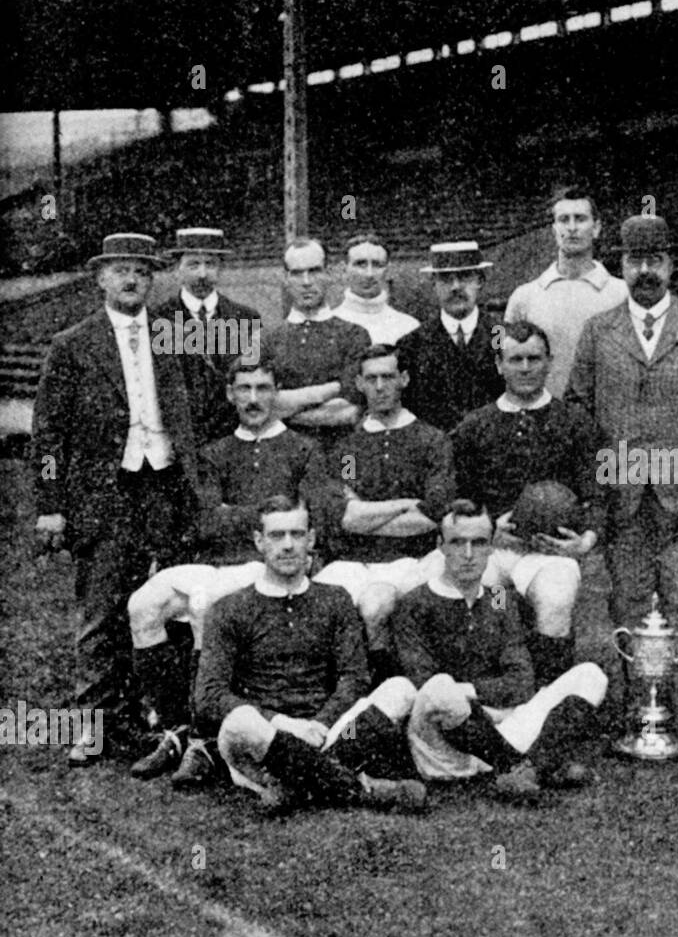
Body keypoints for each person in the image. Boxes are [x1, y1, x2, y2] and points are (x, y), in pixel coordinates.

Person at [566, 214, 678, 739]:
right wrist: (599, 481)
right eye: (635, 261)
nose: (645, 271)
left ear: (671, 265)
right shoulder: (599, 330)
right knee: (630, 599)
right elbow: (578, 408)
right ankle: (639, 703)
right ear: (621, 265)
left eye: (655, 261)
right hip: (622, 488)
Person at [125, 359, 336, 785]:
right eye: (244, 389)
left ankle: (204, 741)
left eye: (263, 388)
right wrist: (270, 514)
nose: (254, 399)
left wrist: (236, 516)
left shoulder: (303, 450)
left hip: (269, 567)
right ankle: (174, 728)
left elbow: (313, 518)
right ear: (230, 395)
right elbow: (207, 523)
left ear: (277, 394)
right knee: (144, 603)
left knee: (209, 602)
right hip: (216, 562)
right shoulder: (214, 453)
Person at [32, 233, 201, 765]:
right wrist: (51, 504)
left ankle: (161, 715)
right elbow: (48, 434)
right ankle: (94, 723)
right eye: (121, 271)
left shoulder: (174, 335)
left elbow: (192, 407)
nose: (132, 280)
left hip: (163, 485)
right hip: (103, 493)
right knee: (102, 608)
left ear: (153, 280)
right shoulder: (73, 343)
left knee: (165, 602)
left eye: (142, 272)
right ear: (101, 278)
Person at [194, 496, 426, 813]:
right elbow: (209, 695)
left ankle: (293, 786)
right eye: (277, 535)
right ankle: (359, 788)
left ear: (312, 539)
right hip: (263, 739)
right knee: (240, 721)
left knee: (401, 690)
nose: (288, 545)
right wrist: (286, 724)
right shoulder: (230, 608)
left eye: (297, 534)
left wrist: (319, 724)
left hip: (327, 733)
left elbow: (354, 677)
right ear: (259, 542)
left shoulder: (334, 599)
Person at [379, 500, 609, 799]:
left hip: (503, 727)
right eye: (457, 543)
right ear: (440, 546)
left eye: (479, 543)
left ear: (491, 548)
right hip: (446, 746)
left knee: (591, 675)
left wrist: (485, 700)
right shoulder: (415, 603)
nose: (468, 554)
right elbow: (424, 683)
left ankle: (523, 770)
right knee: (440, 688)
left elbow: (523, 680)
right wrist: (481, 701)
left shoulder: (499, 598)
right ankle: (528, 766)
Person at [448, 321, 607, 685]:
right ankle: (488, 699)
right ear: (499, 364)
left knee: (555, 598)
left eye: (533, 358)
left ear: (550, 361)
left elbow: (598, 494)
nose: (524, 367)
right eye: (514, 359)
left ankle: (551, 702)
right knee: (478, 595)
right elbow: (460, 497)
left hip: (552, 553)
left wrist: (584, 541)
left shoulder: (577, 423)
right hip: (495, 548)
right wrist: (487, 529)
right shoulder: (475, 426)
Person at [312, 345, 455, 680]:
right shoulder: (347, 448)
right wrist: (404, 503)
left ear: (403, 379)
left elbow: (430, 516)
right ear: (359, 384)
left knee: (375, 606)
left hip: (410, 561)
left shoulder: (431, 440)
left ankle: (382, 686)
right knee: (311, 605)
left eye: (387, 377)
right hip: (351, 562)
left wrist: (365, 517)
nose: (380, 386)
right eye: (371, 378)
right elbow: (343, 516)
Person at [504, 187, 629, 397]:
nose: (572, 227)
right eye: (564, 219)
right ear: (554, 230)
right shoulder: (524, 297)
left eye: (580, 219)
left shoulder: (622, 294)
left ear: (596, 228)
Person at [153, 226, 262, 445]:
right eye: (193, 264)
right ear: (177, 269)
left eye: (210, 264)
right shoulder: (158, 320)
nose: (202, 274)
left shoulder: (246, 318)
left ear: (221, 269)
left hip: (234, 439)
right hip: (180, 442)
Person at [260, 238, 370, 448]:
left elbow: (348, 412)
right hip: (283, 455)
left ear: (329, 274)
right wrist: (331, 389)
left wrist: (281, 411)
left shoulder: (355, 335)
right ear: (285, 278)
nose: (306, 281)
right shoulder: (265, 339)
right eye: (297, 273)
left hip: (340, 454)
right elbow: (256, 404)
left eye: (315, 271)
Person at [397, 240, 503, 432]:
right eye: (446, 278)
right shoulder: (412, 344)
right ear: (433, 285)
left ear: (480, 281)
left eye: (464, 277)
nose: (455, 287)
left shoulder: (500, 335)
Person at [332, 232, 422, 345]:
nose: (369, 274)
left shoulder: (407, 327)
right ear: (344, 269)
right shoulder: (328, 324)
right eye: (360, 264)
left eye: (377, 265)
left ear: (388, 270)